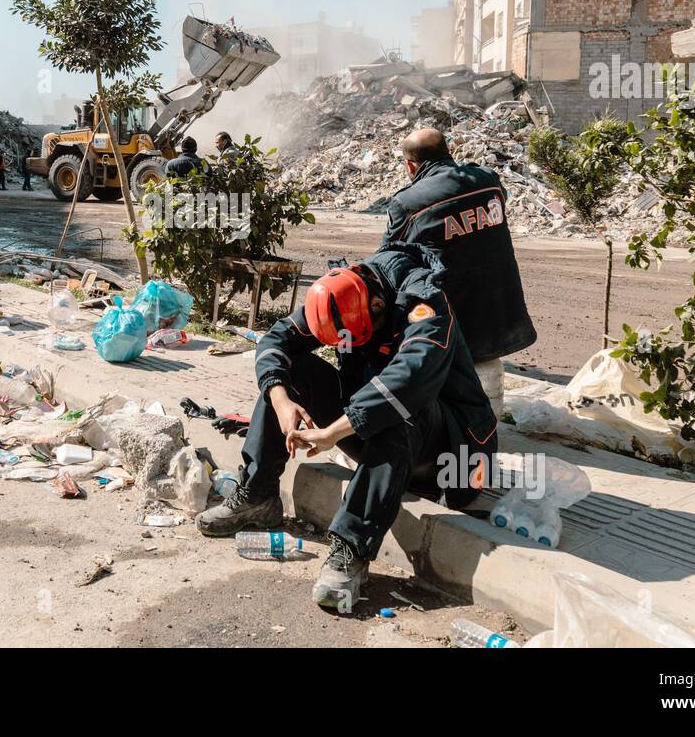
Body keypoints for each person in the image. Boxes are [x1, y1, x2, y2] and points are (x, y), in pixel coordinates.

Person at [195, 245, 497, 610]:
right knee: (292, 373)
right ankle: (258, 496)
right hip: (380, 432)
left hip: (450, 452)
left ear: (379, 307)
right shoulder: (341, 293)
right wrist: (281, 399)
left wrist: (334, 432)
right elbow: (278, 339)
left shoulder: (424, 304)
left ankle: (352, 548)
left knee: (396, 407)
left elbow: (409, 381)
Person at [379, 128, 536, 418]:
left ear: (410, 165)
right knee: (486, 383)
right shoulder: (488, 179)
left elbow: (390, 256)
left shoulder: (408, 202)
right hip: (498, 305)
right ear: (448, 152)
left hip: (453, 314)